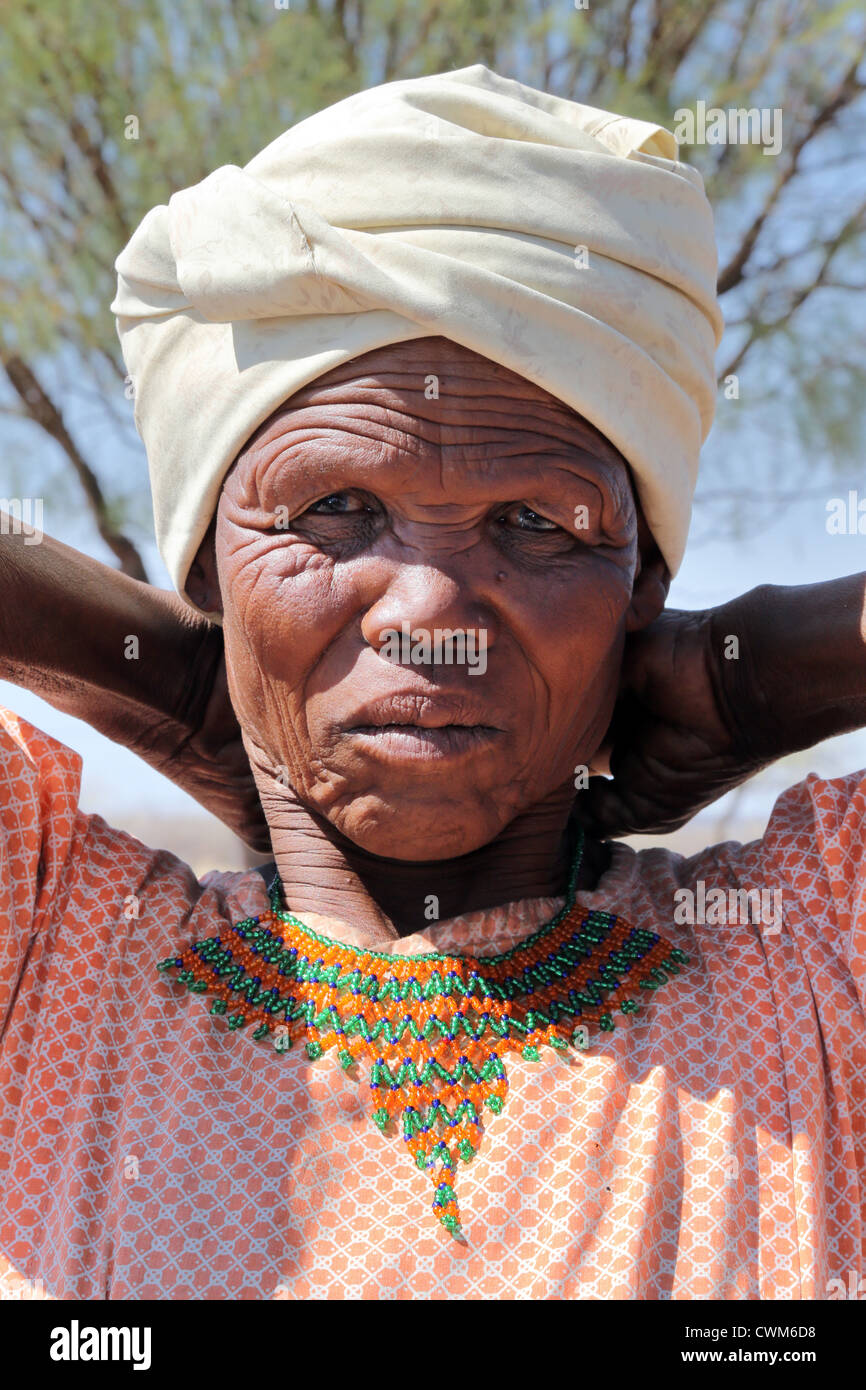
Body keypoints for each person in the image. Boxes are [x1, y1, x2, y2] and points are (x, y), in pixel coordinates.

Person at [0, 66, 863, 1301]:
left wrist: (754, 680)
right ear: (206, 559)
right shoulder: (47, 947)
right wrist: (166, 676)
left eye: (537, 525)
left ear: (643, 583)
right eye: (334, 511)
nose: (431, 612)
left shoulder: (813, 956)